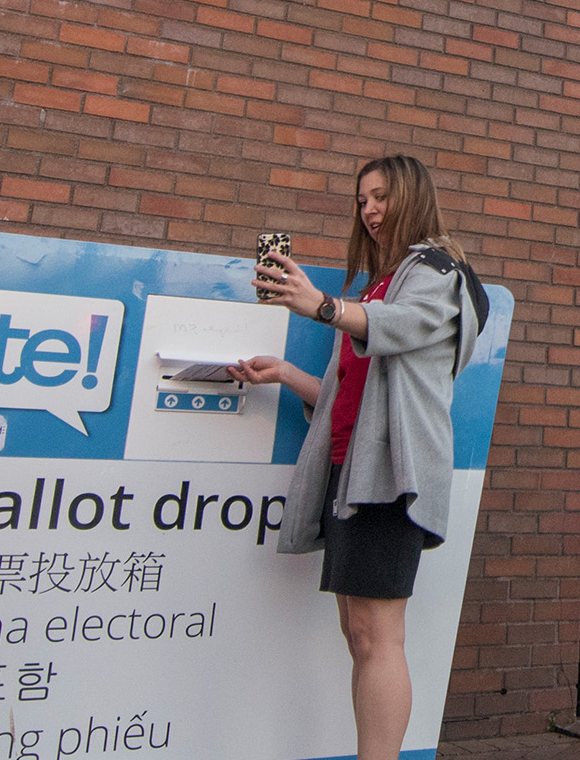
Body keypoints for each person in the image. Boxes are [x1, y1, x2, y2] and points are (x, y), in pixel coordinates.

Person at [228, 154, 482, 760]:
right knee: (360, 633)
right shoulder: (378, 283)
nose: (368, 210)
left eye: (381, 197)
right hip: (352, 473)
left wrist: (319, 305)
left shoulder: (436, 270)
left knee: (378, 635)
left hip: (390, 478)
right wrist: (287, 374)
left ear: (413, 198)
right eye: (361, 199)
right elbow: (354, 400)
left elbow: (397, 325)